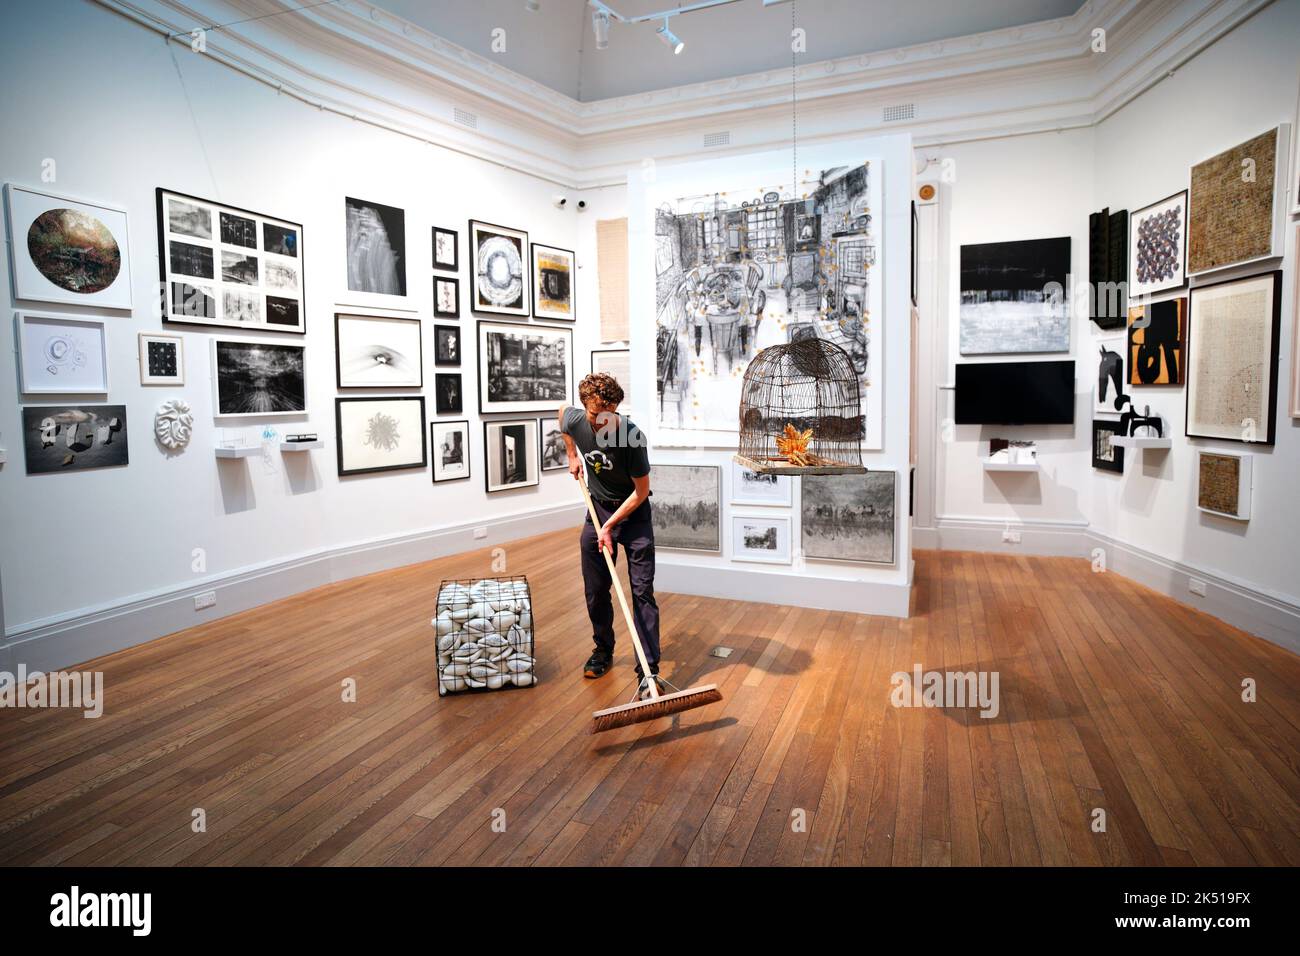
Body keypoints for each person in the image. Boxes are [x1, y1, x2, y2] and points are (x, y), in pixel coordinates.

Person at [559, 373, 663, 699]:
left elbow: (642, 492)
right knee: (595, 590)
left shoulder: (632, 438)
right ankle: (603, 650)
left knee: (642, 592)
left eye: (607, 415)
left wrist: (610, 525)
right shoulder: (577, 420)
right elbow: (561, 414)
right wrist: (572, 455)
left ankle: (648, 672)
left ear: (616, 409)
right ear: (585, 409)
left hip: (632, 515)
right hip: (597, 509)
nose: (600, 422)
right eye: (594, 416)